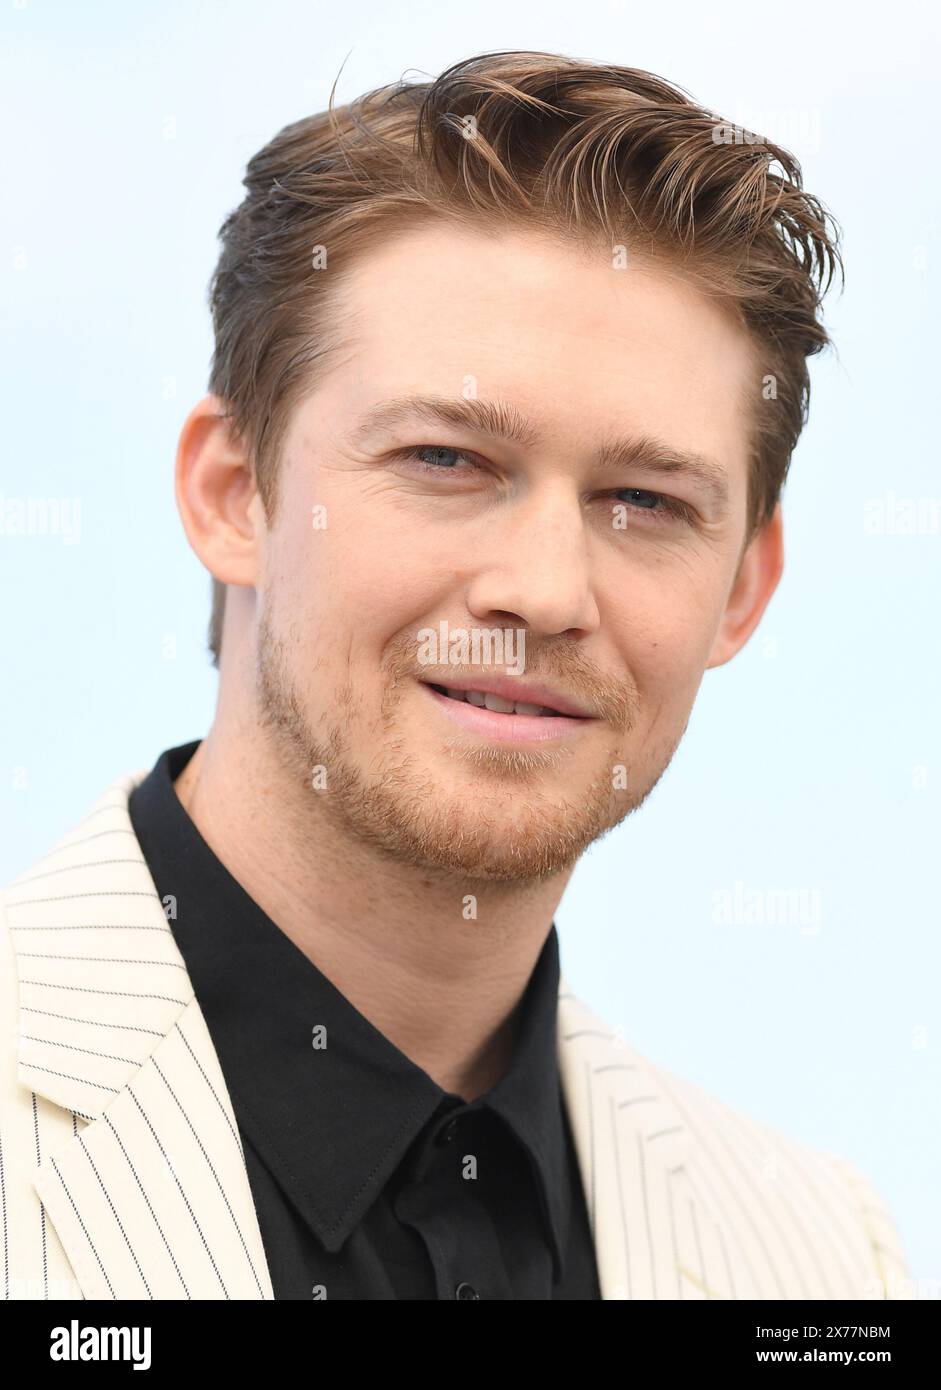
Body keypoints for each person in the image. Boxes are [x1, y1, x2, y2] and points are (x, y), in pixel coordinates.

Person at [1, 50, 911, 1300]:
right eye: (445, 458)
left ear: (740, 589)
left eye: (643, 500)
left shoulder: (821, 1261)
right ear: (231, 495)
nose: (541, 590)